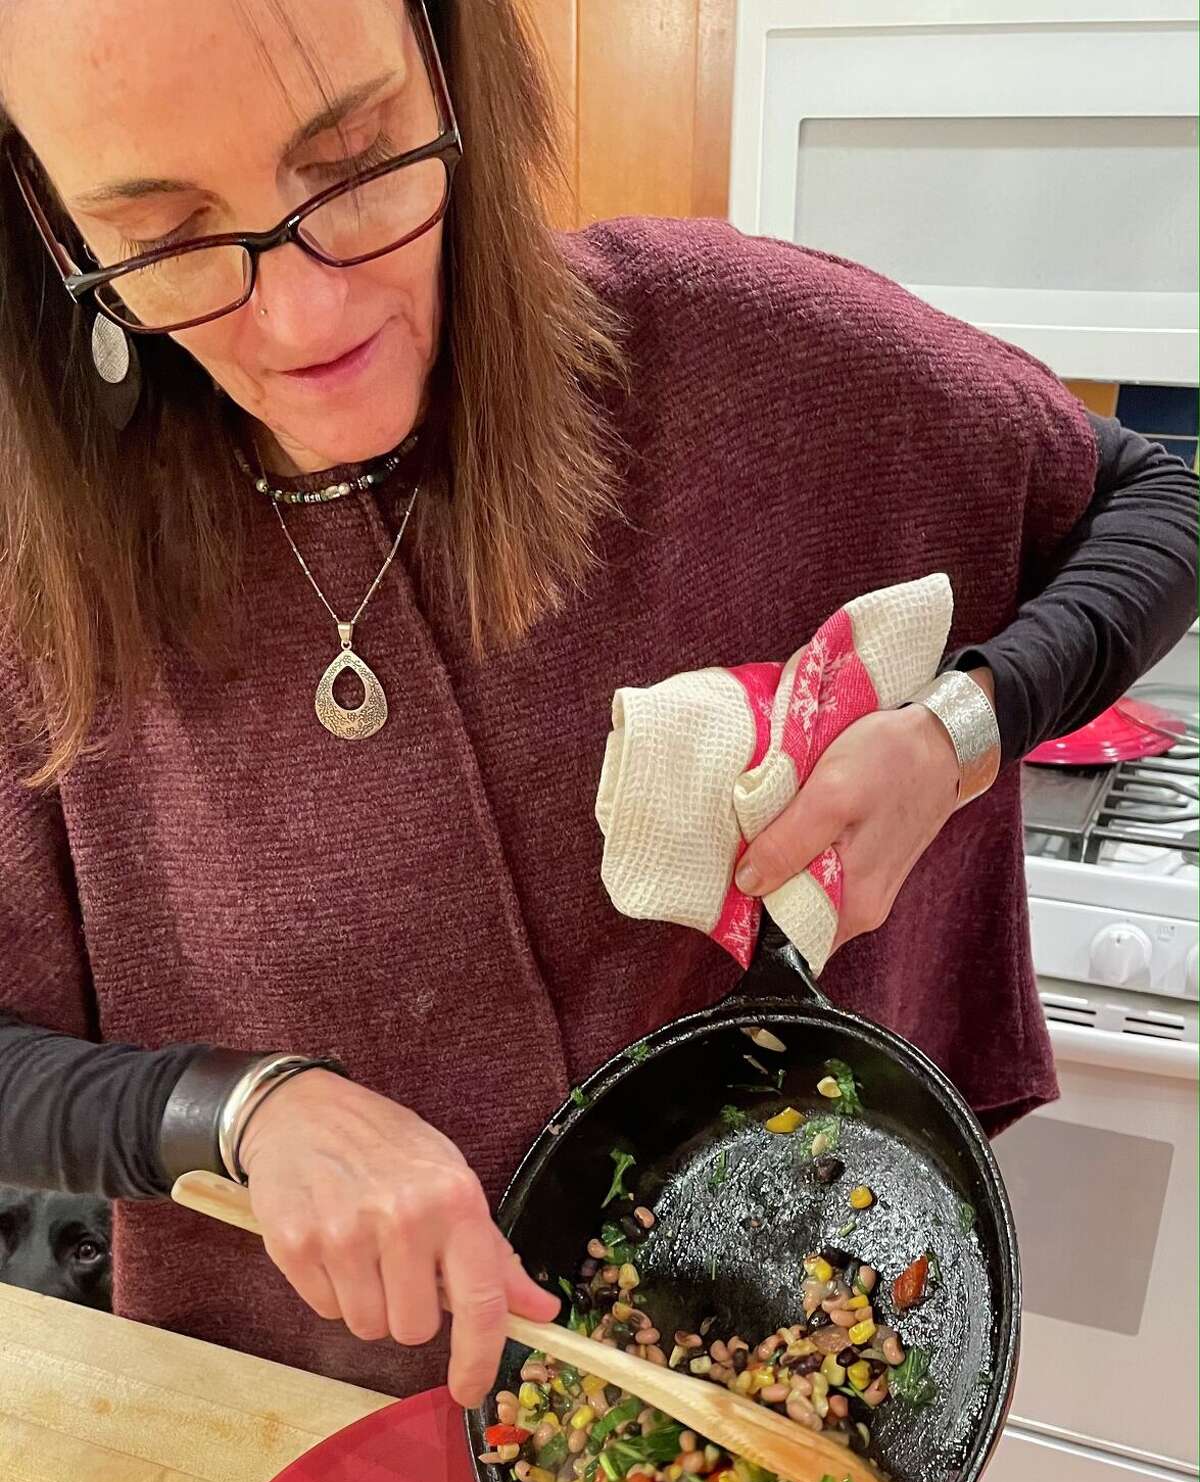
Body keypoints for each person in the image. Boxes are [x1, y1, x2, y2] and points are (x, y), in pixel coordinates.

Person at [0, 0, 1193, 1407]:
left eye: (356, 161)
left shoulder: (741, 350)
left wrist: (960, 733)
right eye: (162, 234)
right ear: (54, 228)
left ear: (451, 76)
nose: (305, 314)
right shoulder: (41, 575)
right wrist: (235, 1108)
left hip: (810, 1354)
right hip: (311, 1422)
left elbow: (1159, 497)